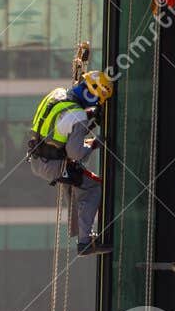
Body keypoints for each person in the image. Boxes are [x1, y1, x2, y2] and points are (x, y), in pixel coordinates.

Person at [24, 70, 112, 257]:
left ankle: (81, 234)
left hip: (39, 158)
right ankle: (84, 243)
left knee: (76, 184)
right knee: (93, 187)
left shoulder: (57, 94)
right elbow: (76, 153)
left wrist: (90, 119)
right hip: (54, 165)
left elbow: (61, 124)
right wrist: (95, 144)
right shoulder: (78, 114)